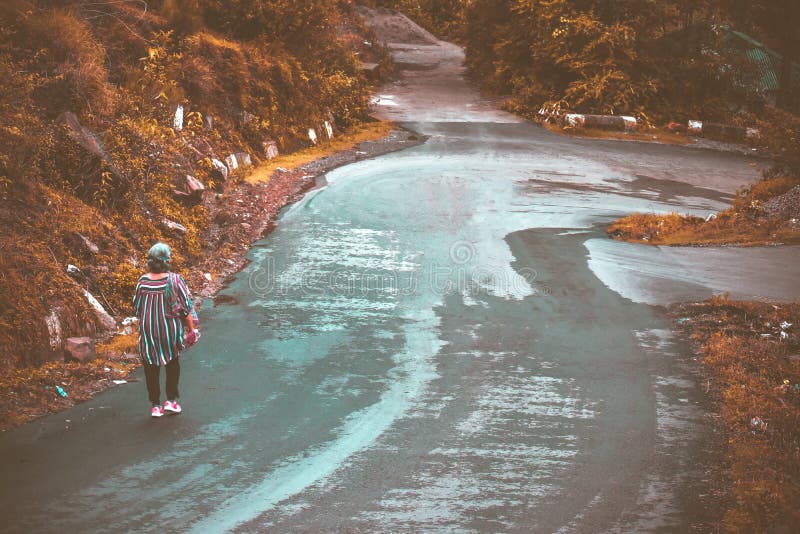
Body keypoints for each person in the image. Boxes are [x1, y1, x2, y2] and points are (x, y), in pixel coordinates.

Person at [133, 242, 198, 417]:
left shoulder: (142, 281)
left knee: (151, 366)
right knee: (172, 362)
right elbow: (186, 307)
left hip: (148, 330)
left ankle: (155, 406)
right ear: (167, 260)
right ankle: (171, 401)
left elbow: (136, 308)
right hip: (169, 329)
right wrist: (191, 329)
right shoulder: (175, 280)